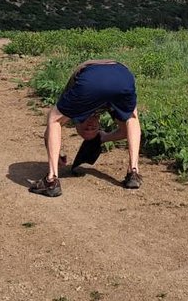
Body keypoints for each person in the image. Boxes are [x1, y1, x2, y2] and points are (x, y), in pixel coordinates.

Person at [29, 59, 141, 197]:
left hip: (96, 78)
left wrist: (55, 151)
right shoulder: (105, 101)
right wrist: (104, 137)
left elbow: (52, 127)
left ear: (76, 122)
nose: (90, 126)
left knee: (53, 119)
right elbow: (127, 131)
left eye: (87, 129)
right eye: (92, 129)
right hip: (122, 76)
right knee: (132, 119)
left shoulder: (75, 101)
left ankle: (51, 180)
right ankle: (133, 173)